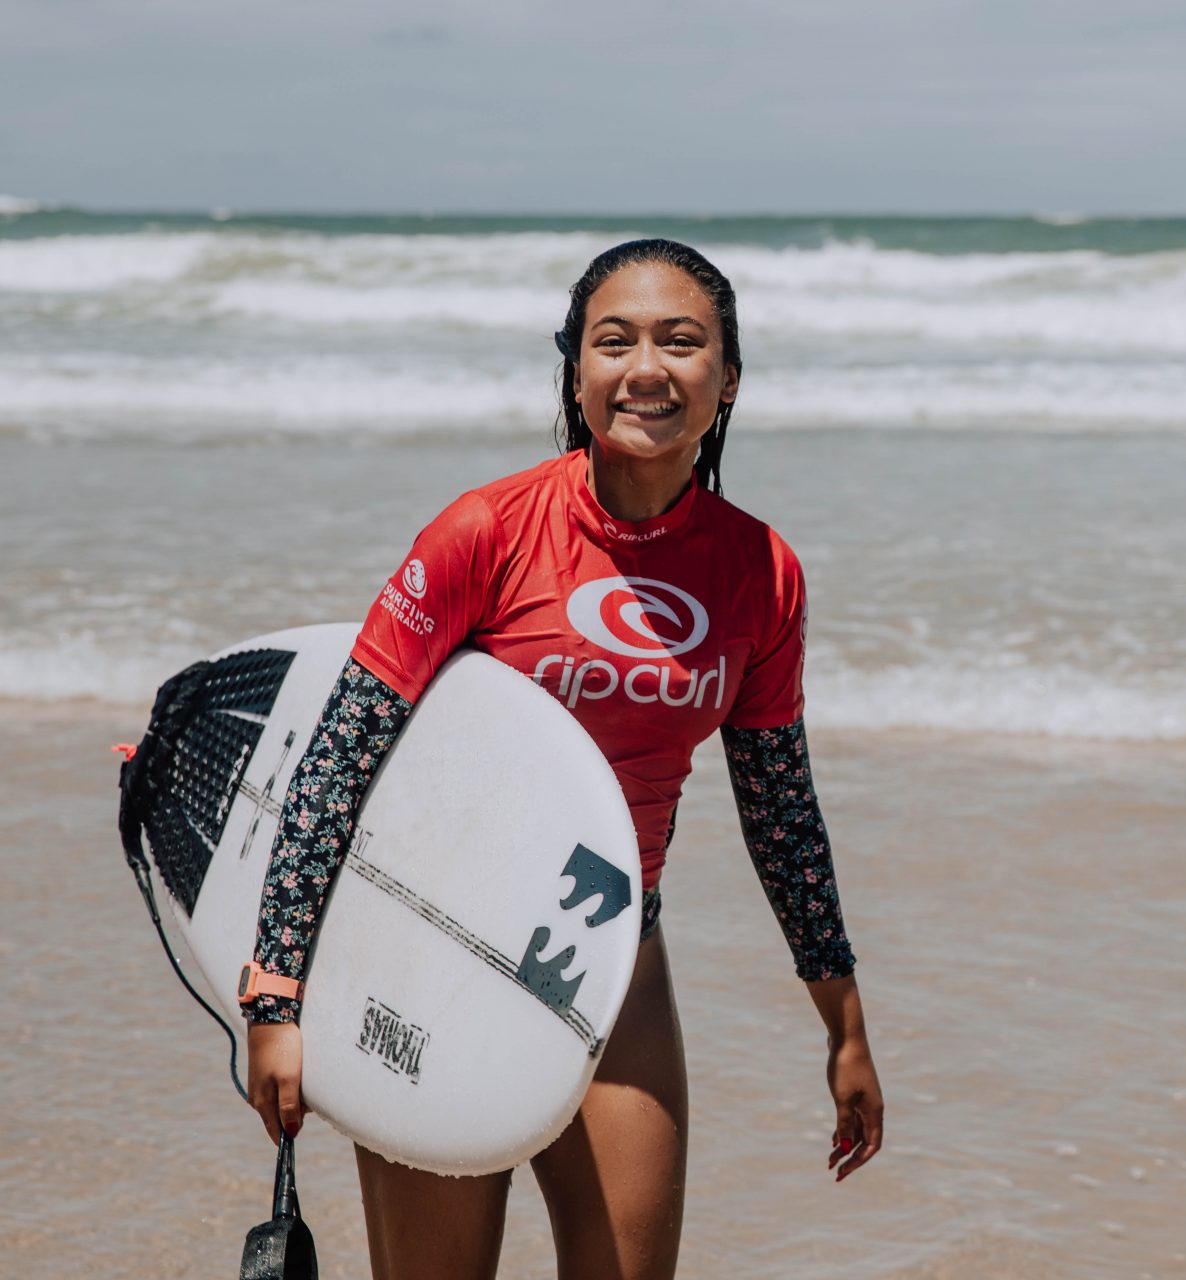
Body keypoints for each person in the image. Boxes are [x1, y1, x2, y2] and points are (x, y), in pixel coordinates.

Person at [238, 239, 884, 1280]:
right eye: (613, 339)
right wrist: (274, 995)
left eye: (683, 342)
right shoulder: (486, 530)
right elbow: (338, 759)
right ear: (574, 369)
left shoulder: (759, 570)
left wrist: (844, 1022)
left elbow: (781, 810)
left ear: (727, 378)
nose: (647, 367)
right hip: (435, 941)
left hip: (613, 952)